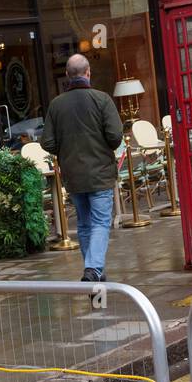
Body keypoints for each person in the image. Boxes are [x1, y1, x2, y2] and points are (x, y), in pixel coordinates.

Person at [40, 54, 123, 282]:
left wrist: (66, 150)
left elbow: (46, 142)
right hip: (100, 174)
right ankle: (94, 268)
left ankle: (94, 270)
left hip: (73, 176)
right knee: (100, 223)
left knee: (85, 224)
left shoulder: (57, 104)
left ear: (67, 75)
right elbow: (115, 137)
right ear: (88, 73)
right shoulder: (102, 99)